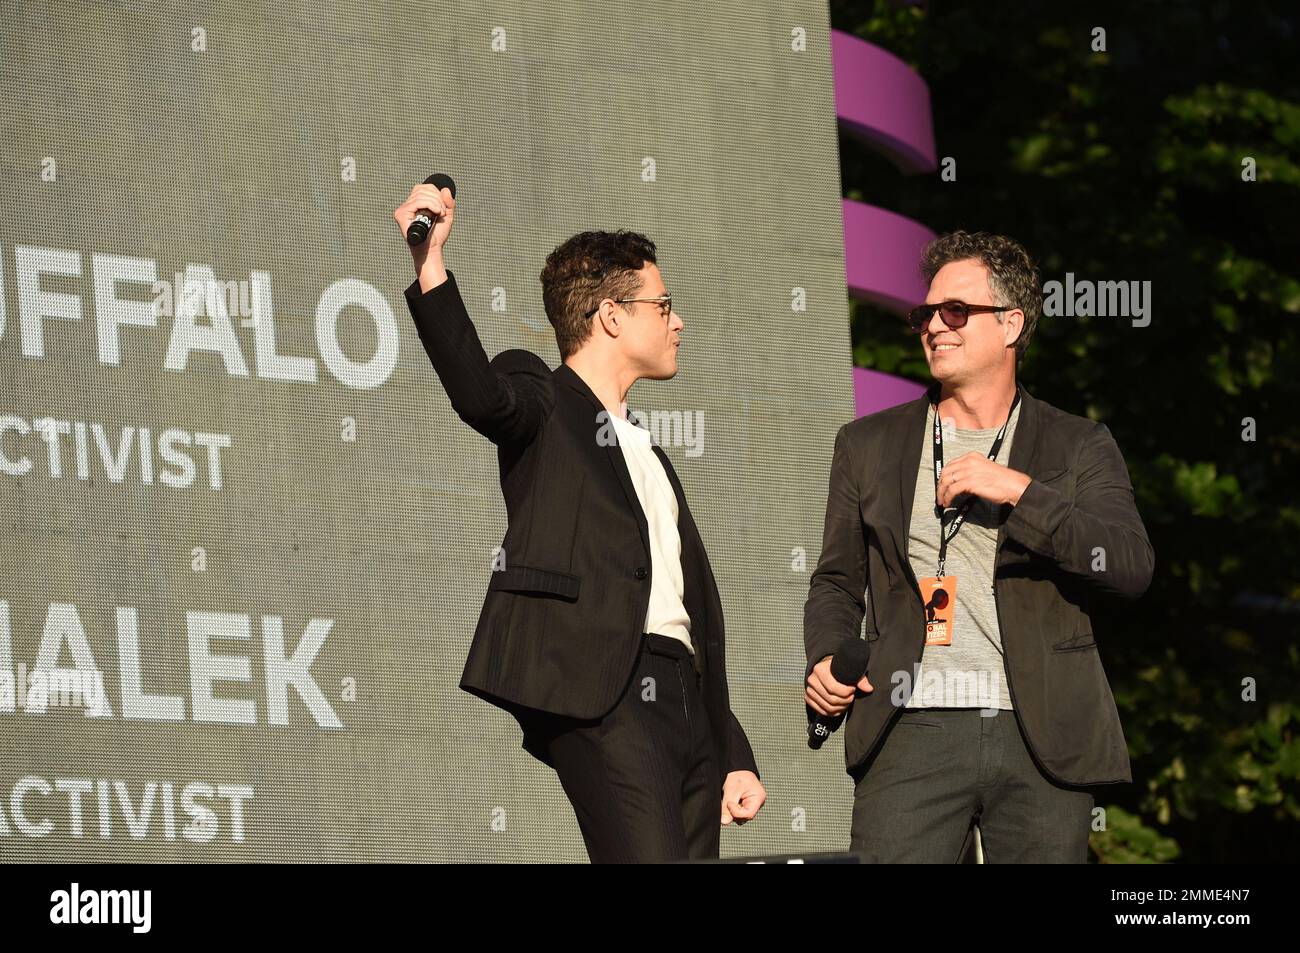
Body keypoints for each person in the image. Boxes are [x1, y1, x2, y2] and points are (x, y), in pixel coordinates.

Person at [393, 180, 764, 862]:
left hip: (685, 702)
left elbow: (684, 612)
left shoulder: (647, 449)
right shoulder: (542, 396)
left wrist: (730, 749)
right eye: (664, 305)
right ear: (611, 316)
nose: (678, 321)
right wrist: (430, 264)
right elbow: (480, 395)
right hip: (605, 693)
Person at [803, 230, 1154, 863]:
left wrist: (1021, 491)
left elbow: (1128, 565)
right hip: (910, 723)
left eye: (956, 311)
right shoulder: (867, 444)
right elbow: (834, 579)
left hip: (1040, 728)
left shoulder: (1078, 445)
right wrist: (827, 657)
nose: (934, 326)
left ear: (1013, 324)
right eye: (925, 314)